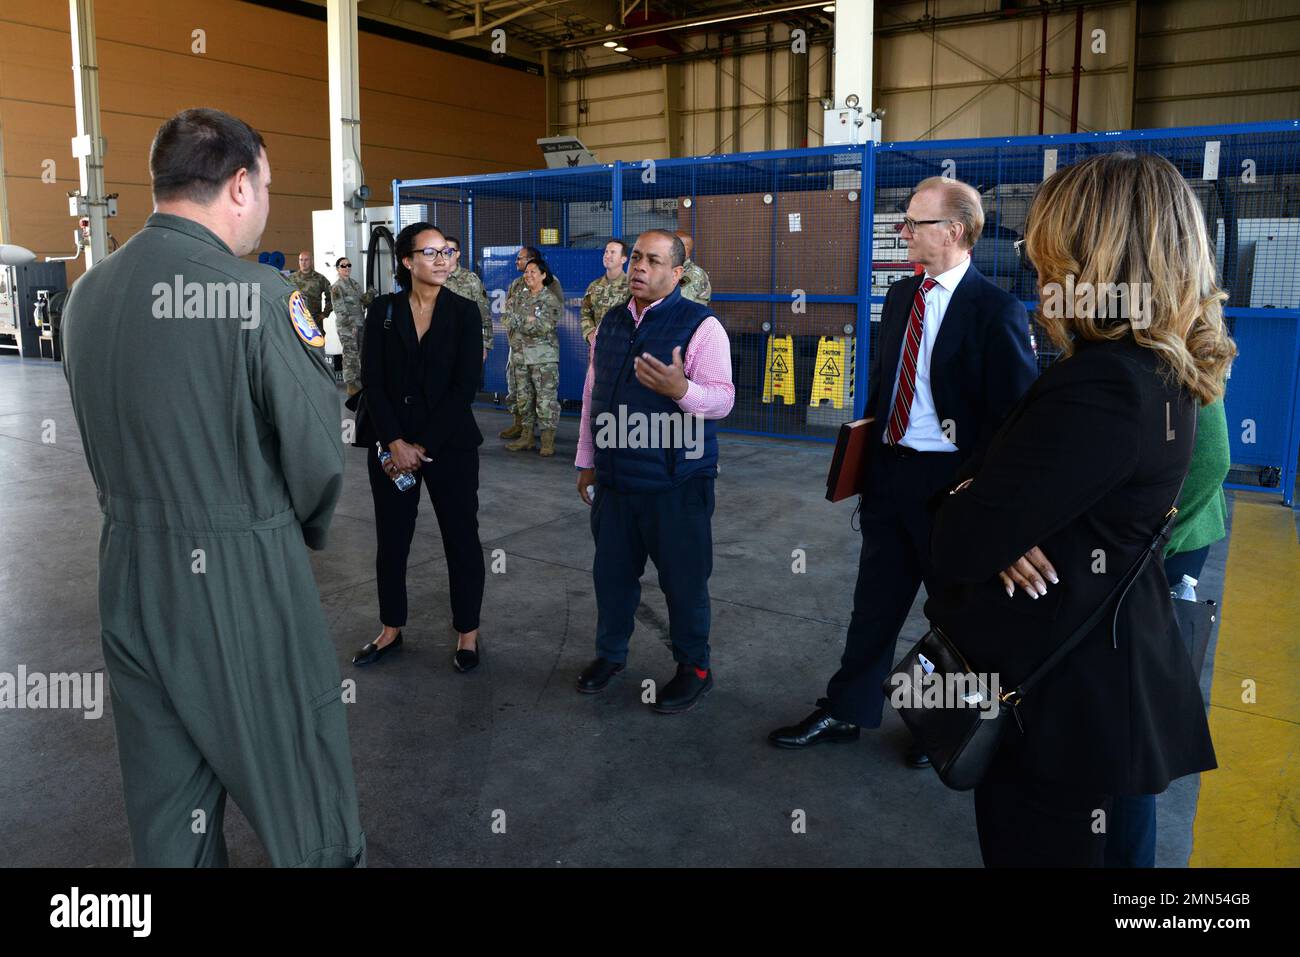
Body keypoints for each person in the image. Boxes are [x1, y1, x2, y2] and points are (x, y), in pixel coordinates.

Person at [60, 107, 364, 867]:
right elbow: (318, 460)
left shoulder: (86, 298)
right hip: (239, 578)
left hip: (128, 575)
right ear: (236, 185)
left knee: (171, 824)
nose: (265, 201)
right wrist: (285, 532)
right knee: (307, 808)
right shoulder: (261, 298)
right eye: (264, 184)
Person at [924, 152, 1234, 867]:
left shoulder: (1103, 386)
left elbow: (957, 541)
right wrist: (994, 507)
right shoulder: (1154, 368)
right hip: (1111, 688)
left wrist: (978, 508)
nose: (1036, 263)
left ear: (1098, 257)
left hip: (1062, 707)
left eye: (1051, 246)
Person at [768, 176, 1038, 766]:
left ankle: (940, 729)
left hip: (951, 488)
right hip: (890, 477)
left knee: (956, 615)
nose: (903, 230)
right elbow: (886, 385)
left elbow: (1014, 418)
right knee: (875, 604)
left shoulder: (996, 311)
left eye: (915, 222)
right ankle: (846, 709)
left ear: (957, 231)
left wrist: (986, 497)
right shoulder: (899, 298)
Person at [574, 229, 735, 714]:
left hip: (677, 483)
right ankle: (610, 656)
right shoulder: (610, 322)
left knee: (684, 582)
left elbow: (723, 399)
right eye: (636, 258)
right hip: (617, 480)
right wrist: (587, 461)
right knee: (613, 577)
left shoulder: (701, 326)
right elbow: (591, 395)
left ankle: (695, 668)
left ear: (678, 273)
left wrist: (680, 389)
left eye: (654, 261)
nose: (640, 268)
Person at [351, 222, 486, 674]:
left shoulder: (465, 313)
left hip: (449, 445)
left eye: (446, 251)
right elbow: (371, 380)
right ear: (406, 261)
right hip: (391, 447)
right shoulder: (382, 311)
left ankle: (468, 634)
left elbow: (465, 386)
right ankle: (391, 628)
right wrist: (393, 441)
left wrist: (423, 444)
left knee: (461, 539)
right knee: (392, 540)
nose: (442, 259)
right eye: (430, 253)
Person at [1107, 394, 1231, 867]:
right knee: (1131, 703)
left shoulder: (1183, 333)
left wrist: (1152, 544)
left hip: (1165, 547)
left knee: (1136, 709)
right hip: (1148, 545)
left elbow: (1213, 460)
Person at [499, 245, 564, 440]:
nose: (517, 262)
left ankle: (545, 438)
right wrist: (525, 320)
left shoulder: (551, 286)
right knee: (519, 391)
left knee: (544, 396)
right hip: (518, 349)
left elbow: (549, 318)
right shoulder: (516, 286)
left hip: (541, 351)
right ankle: (521, 428)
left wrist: (524, 321)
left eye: (521, 259)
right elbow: (507, 314)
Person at [441, 235, 493, 363]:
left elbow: (484, 314)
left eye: (449, 251)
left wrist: (484, 344)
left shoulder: (470, 279)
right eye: (442, 251)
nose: (445, 254)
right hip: (439, 343)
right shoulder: (434, 278)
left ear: (457, 254)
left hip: (466, 343)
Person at [330, 256, 373, 395]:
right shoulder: (337, 287)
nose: (347, 268)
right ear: (338, 269)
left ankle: (359, 381)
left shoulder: (354, 284)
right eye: (343, 266)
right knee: (350, 355)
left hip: (360, 323)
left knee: (360, 354)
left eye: (349, 265)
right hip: (347, 327)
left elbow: (363, 302)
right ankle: (351, 385)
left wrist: (371, 294)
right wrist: (350, 326)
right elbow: (339, 310)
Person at [580, 239, 630, 344]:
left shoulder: (632, 287)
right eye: (606, 252)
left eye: (613, 252)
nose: (607, 255)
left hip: (624, 349)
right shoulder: (594, 286)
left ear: (623, 259)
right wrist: (590, 333)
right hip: (599, 349)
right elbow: (585, 314)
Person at [290, 250, 332, 323]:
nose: (303, 262)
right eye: (301, 260)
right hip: (296, 320)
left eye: (306, 260)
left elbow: (331, 296)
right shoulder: (291, 278)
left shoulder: (320, 279)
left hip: (314, 320)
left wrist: (325, 313)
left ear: (312, 261)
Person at [673, 230, 712, 305]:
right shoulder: (674, 269)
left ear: (685, 250)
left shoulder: (692, 274)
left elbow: (678, 303)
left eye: (673, 247)